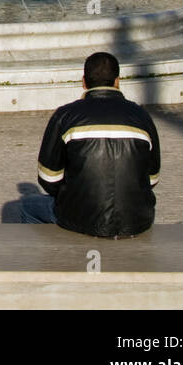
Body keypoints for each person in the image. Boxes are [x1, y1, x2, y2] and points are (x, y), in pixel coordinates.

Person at [24, 51, 160, 238]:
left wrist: (75, 192)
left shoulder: (65, 116)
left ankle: (54, 260)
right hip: (136, 219)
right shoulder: (142, 116)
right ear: (117, 81)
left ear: (84, 82)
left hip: (79, 218)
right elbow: (151, 179)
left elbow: (48, 178)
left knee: (27, 207)